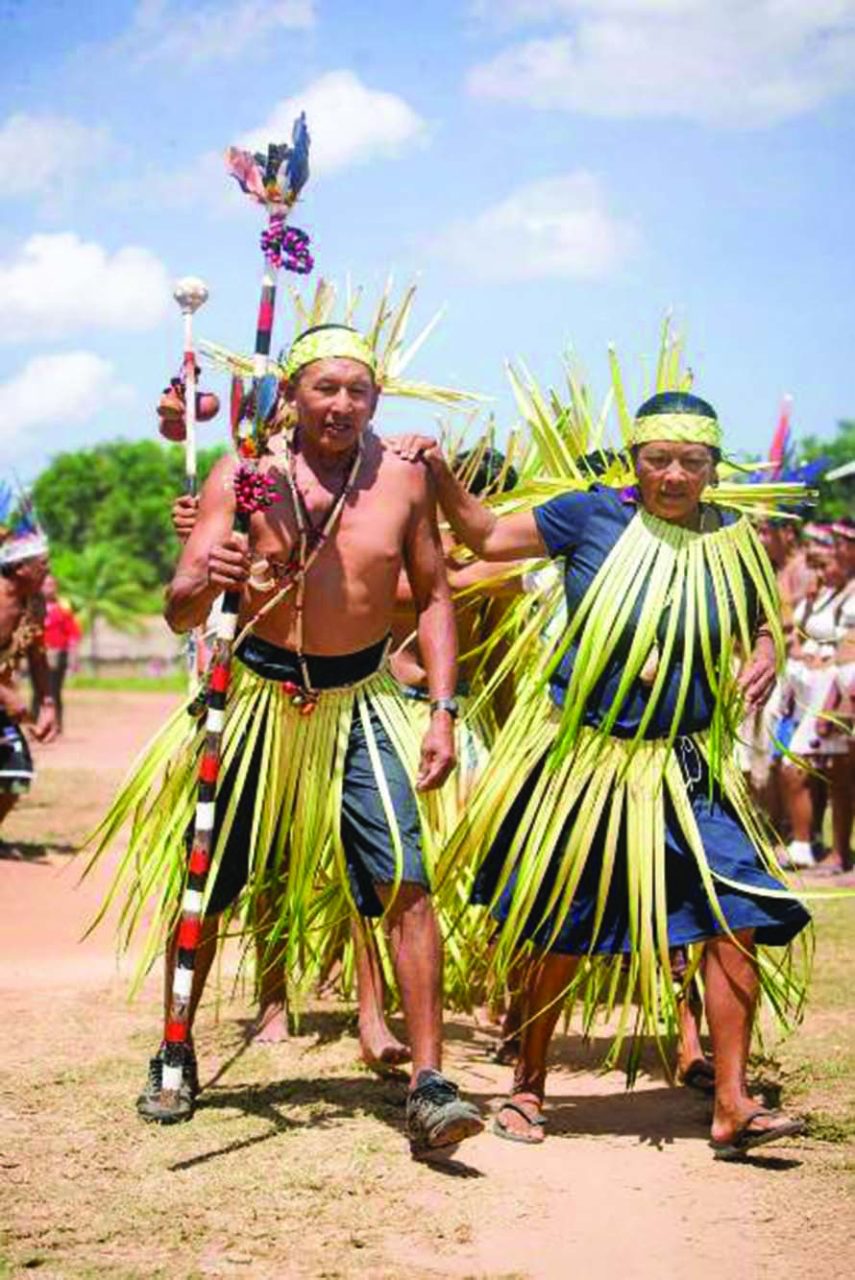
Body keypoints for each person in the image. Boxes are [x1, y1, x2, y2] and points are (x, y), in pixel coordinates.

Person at [87, 324, 483, 1160]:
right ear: (293, 395)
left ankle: (430, 1084)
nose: (341, 404)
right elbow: (179, 607)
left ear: (376, 398)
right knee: (206, 883)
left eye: (356, 390)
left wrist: (442, 710)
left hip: (362, 704)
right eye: (324, 388)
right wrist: (213, 577)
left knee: (407, 883)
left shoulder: (404, 477)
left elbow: (435, 597)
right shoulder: (245, 473)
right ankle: (175, 1055)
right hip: (256, 700)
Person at [392, 389, 811, 1159]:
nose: (673, 476)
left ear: (714, 468)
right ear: (635, 461)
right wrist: (442, 472)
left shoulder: (733, 538)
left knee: (736, 916)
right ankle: (527, 1084)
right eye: (658, 460)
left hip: (684, 765)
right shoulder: (589, 515)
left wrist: (761, 651)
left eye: (691, 462)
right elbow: (485, 536)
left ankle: (731, 1102)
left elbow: (764, 617)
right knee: (561, 925)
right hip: (593, 764)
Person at [780, 532, 855, 871]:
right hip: (821, 688)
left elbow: (848, 646)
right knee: (832, 774)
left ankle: (828, 851)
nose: (820, 569)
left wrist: (828, 671)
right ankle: (815, 847)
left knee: (812, 768)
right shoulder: (828, 593)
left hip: (837, 689)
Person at [0, 489, 58, 834]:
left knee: (15, 774)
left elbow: (37, 655)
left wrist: (47, 703)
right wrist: (8, 697)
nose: (48, 571)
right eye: (42, 564)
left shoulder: (35, 602)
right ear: (20, 568)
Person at [32, 574, 81, 734]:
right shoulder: (32, 608)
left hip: (56, 655)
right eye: (46, 584)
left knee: (54, 691)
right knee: (37, 691)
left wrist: (74, 659)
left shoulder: (63, 609)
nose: (49, 588)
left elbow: (73, 635)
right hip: (37, 655)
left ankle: (57, 725)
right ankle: (35, 724)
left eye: (52, 585)